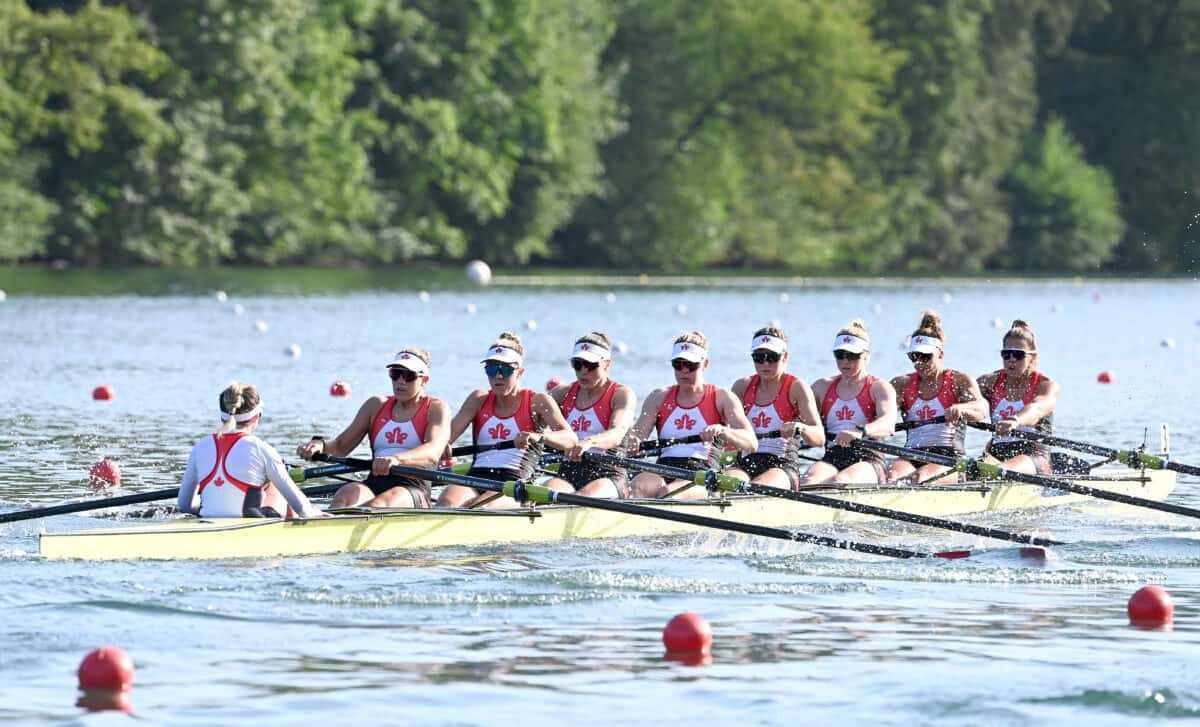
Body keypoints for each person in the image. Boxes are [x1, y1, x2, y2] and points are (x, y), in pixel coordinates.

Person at [296, 349, 451, 508]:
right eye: (396, 374)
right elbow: (340, 446)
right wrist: (319, 445)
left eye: (409, 376)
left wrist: (396, 459)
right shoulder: (375, 406)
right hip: (374, 482)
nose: (401, 381)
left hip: (413, 488)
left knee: (379, 505)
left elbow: (433, 452)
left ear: (424, 380)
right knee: (345, 495)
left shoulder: (436, 408)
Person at [437, 332, 577, 508]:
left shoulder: (537, 401)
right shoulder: (478, 399)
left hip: (515, 485)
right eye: (491, 369)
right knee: (446, 502)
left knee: (481, 507)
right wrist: (441, 448)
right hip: (476, 477)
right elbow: (443, 440)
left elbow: (571, 439)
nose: (498, 376)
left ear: (520, 372)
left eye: (505, 370)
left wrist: (538, 437)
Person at [626, 331, 757, 499]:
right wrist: (632, 442)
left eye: (691, 365)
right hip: (664, 468)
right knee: (635, 488)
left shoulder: (722, 397)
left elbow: (751, 443)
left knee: (669, 494)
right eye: (678, 364)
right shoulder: (658, 397)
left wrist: (723, 431)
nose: (684, 371)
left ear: (705, 364)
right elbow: (637, 436)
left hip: (703, 473)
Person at [178, 382, 323, 519]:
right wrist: (316, 513)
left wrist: (209, 505)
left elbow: (184, 505)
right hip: (251, 525)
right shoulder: (262, 449)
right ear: (256, 417)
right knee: (274, 485)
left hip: (208, 520)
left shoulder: (200, 448)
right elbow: (303, 509)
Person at [888, 311, 988, 484]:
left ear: (940, 354)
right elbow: (883, 418)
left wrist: (961, 408)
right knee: (891, 476)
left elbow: (981, 410)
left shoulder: (959, 380)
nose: (919, 363)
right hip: (911, 454)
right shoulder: (901, 384)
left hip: (949, 458)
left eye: (925, 357)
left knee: (920, 478)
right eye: (914, 356)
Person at [725, 326, 824, 489]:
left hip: (782, 466)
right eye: (759, 357)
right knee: (722, 487)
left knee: (753, 489)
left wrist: (801, 428)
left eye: (772, 357)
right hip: (744, 463)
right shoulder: (742, 386)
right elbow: (728, 431)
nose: (765, 363)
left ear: (785, 357)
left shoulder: (796, 388)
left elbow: (819, 438)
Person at [801, 320, 897, 485]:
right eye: (840, 355)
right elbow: (797, 419)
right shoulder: (821, 388)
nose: (845, 361)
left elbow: (888, 424)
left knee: (841, 480)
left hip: (869, 459)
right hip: (833, 456)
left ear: (866, 355)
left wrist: (860, 431)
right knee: (809, 481)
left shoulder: (879, 388)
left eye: (852, 356)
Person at [543, 332, 637, 498]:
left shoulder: (621, 394)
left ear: (607, 364)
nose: (583, 371)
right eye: (577, 364)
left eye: (590, 364)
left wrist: (588, 442)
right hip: (569, 472)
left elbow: (616, 434)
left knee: (581, 497)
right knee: (542, 495)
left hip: (608, 474)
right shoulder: (561, 394)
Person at [977, 319, 1060, 474]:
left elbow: (1037, 408)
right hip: (996, 453)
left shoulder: (1045, 385)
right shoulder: (989, 382)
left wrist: (1015, 420)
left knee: (999, 470)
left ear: (1033, 357)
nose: (1012, 360)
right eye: (1006, 354)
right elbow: (964, 397)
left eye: (1018, 355)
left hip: (1033, 456)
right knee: (975, 468)